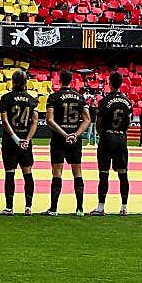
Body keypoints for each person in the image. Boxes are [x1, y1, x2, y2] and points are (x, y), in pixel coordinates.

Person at [43, 70, 89, 215]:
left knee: (57, 172)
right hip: (75, 140)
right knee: (77, 172)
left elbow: (49, 120)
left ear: (60, 80)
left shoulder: (54, 97)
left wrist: (64, 134)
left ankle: (54, 208)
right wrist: (75, 135)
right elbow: (87, 120)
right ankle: (80, 208)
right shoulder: (80, 98)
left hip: (58, 139)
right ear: (72, 80)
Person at [0, 70, 42, 215]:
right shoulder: (32, 100)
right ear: (26, 83)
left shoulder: (6, 98)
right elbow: (34, 123)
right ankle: (28, 207)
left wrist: (15, 138)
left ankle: (9, 207)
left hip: (10, 141)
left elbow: (5, 121)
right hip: (25, 141)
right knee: (27, 173)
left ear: (13, 81)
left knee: (9, 173)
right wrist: (27, 140)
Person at [93, 74, 133, 216]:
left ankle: (100, 207)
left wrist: (102, 134)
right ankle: (124, 207)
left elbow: (99, 123)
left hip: (107, 137)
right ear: (121, 83)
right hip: (121, 137)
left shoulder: (104, 101)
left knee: (104, 174)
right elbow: (128, 123)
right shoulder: (128, 102)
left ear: (109, 83)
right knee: (123, 174)